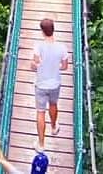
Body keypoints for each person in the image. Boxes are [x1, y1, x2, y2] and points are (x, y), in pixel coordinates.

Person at [31, 18, 69, 152]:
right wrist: (55, 65)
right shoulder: (62, 48)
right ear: (53, 30)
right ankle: (54, 127)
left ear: (42, 31)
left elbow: (34, 65)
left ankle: (41, 145)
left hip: (41, 84)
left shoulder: (38, 46)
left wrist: (37, 65)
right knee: (53, 104)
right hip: (55, 84)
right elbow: (65, 67)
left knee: (40, 112)